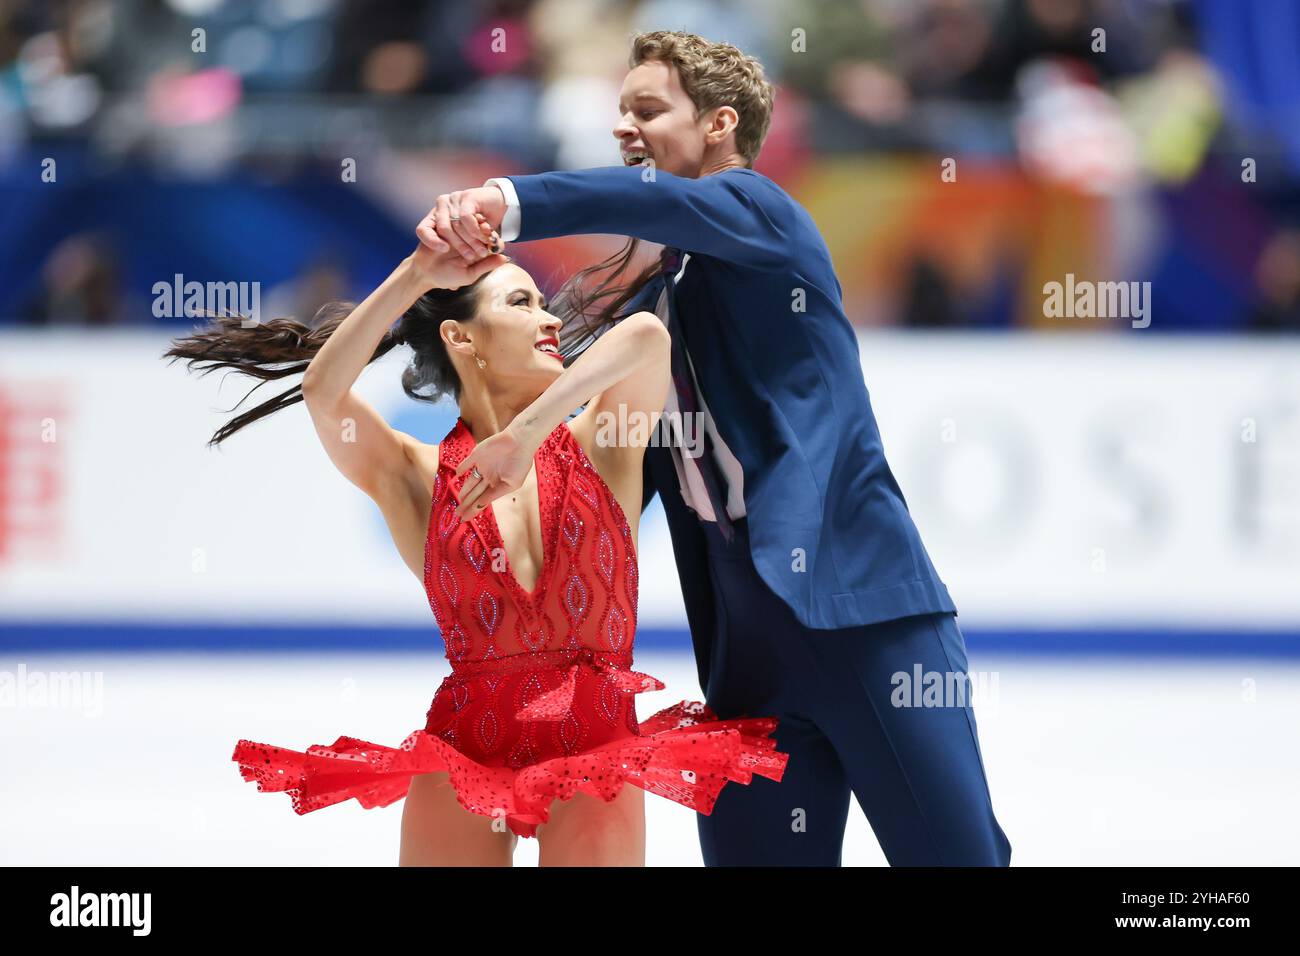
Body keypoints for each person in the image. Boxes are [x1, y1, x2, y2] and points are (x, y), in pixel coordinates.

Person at [417, 30, 1012, 866]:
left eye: (648, 110)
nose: (624, 127)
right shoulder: (662, 303)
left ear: (721, 124)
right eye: (620, 110)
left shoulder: (763, 213)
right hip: (747, 660)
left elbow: (651, 206)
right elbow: (609, 477)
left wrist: (503, 202)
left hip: (863, 619)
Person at [164, 215, 789, 867]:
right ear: (461, 338)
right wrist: (416, 275)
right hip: (467, 744)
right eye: (522, 303)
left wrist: (527, 434)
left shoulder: (602, 441)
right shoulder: (415, 476)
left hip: (595, 742)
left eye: (545, 305)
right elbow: (324, 391)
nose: (549, 321)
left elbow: (646, 336)